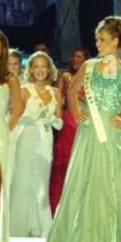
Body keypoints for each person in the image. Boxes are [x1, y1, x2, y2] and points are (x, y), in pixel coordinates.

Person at [43, 16, 121, 242]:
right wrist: (77, 107)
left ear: (116, 41)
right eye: (97, 39)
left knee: (107, 195)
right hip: (88, 136)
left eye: (103, 40)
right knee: (82, 191)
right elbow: (72, 90)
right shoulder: (90, 66)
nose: (98, 44)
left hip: (111, 139)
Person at [8, 51, 60, 238]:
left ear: (49, 69)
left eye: (43, 66)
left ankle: (39, 227)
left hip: (45, 140)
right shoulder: (25, 90)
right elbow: (16, 118)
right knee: (23, 181)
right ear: (30, 69)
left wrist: (51, 118)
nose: (40, 70)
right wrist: (33, 117)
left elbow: (60, 123)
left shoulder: (56, 92)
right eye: (36, 66)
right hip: (27, 139)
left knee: (41, 183)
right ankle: (19, 227)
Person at [49, 47, 87, 213]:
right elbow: (57, 97)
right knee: (63, 161)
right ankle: (56, 204)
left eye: (80, 57)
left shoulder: (90, 77)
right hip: (68, 120)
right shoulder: (65, 76)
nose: (76, 59)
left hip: (84, 121)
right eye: (74, 56)